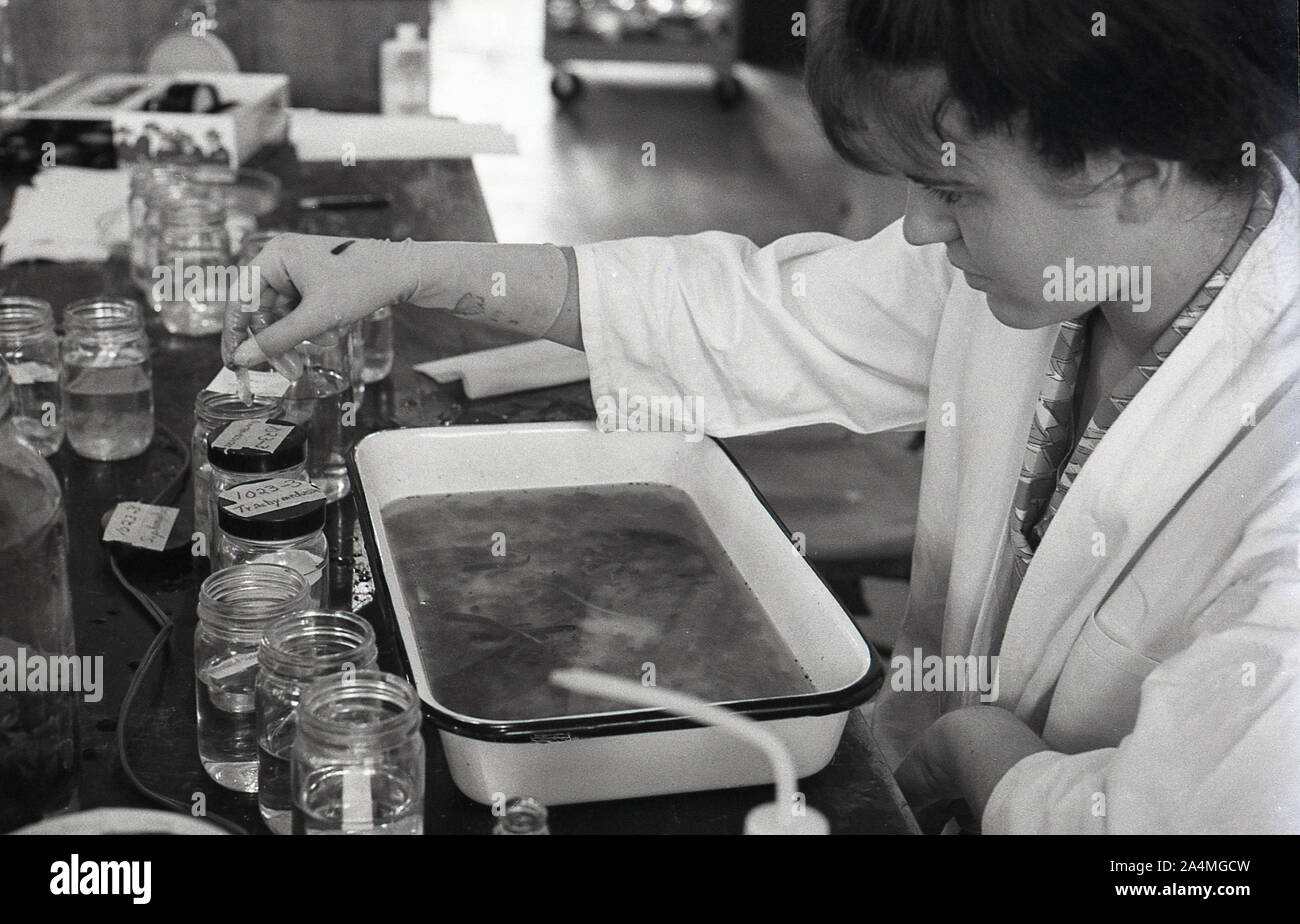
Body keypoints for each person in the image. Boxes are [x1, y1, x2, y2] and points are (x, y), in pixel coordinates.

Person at [223, 0, 1300, 833]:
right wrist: (408, 266)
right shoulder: (1061, 274)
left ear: (1136, 176)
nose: (918, 232)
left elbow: (1195, 856)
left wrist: (978, 751)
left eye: (954, 189)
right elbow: (749, 317)